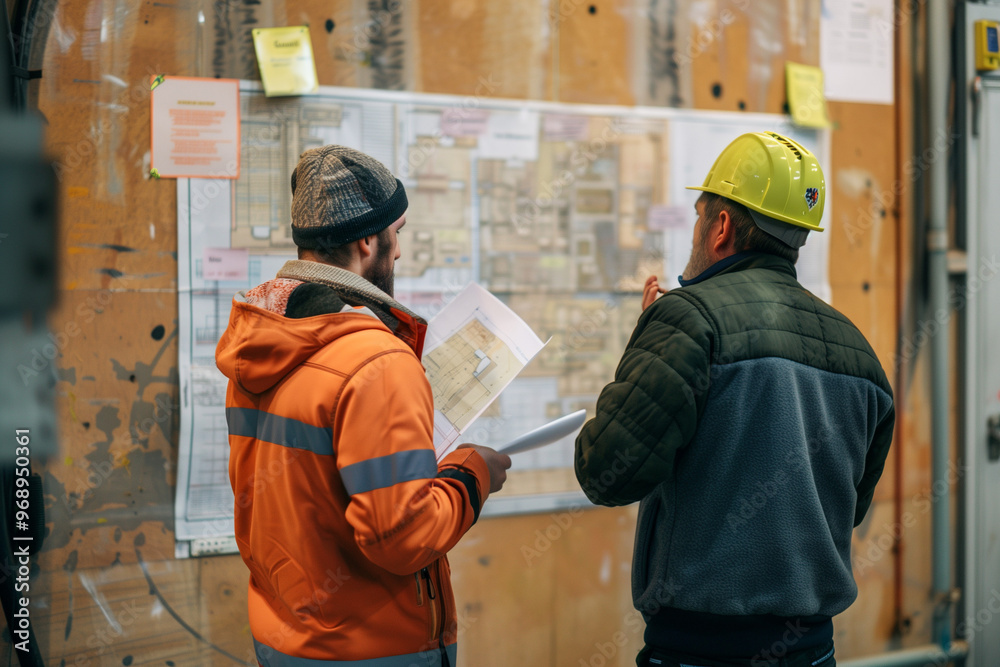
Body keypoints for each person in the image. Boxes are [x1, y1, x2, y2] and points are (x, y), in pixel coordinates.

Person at [575, 131, 894, 667]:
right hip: (814, 652)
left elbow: (604, 469)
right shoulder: (858, 350)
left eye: (701, 215)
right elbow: (848, 505)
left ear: (720, 226)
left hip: (699, 653)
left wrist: (644, 342)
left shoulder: (688, 319)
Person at [216, 145, 512, 667]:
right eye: (397, 234)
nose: (397, 252)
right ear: (368, 240)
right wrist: (473, 473)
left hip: (283, 637)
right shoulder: (377, 361)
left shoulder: (262, 340)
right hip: (370, 649)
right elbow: (402, 537)